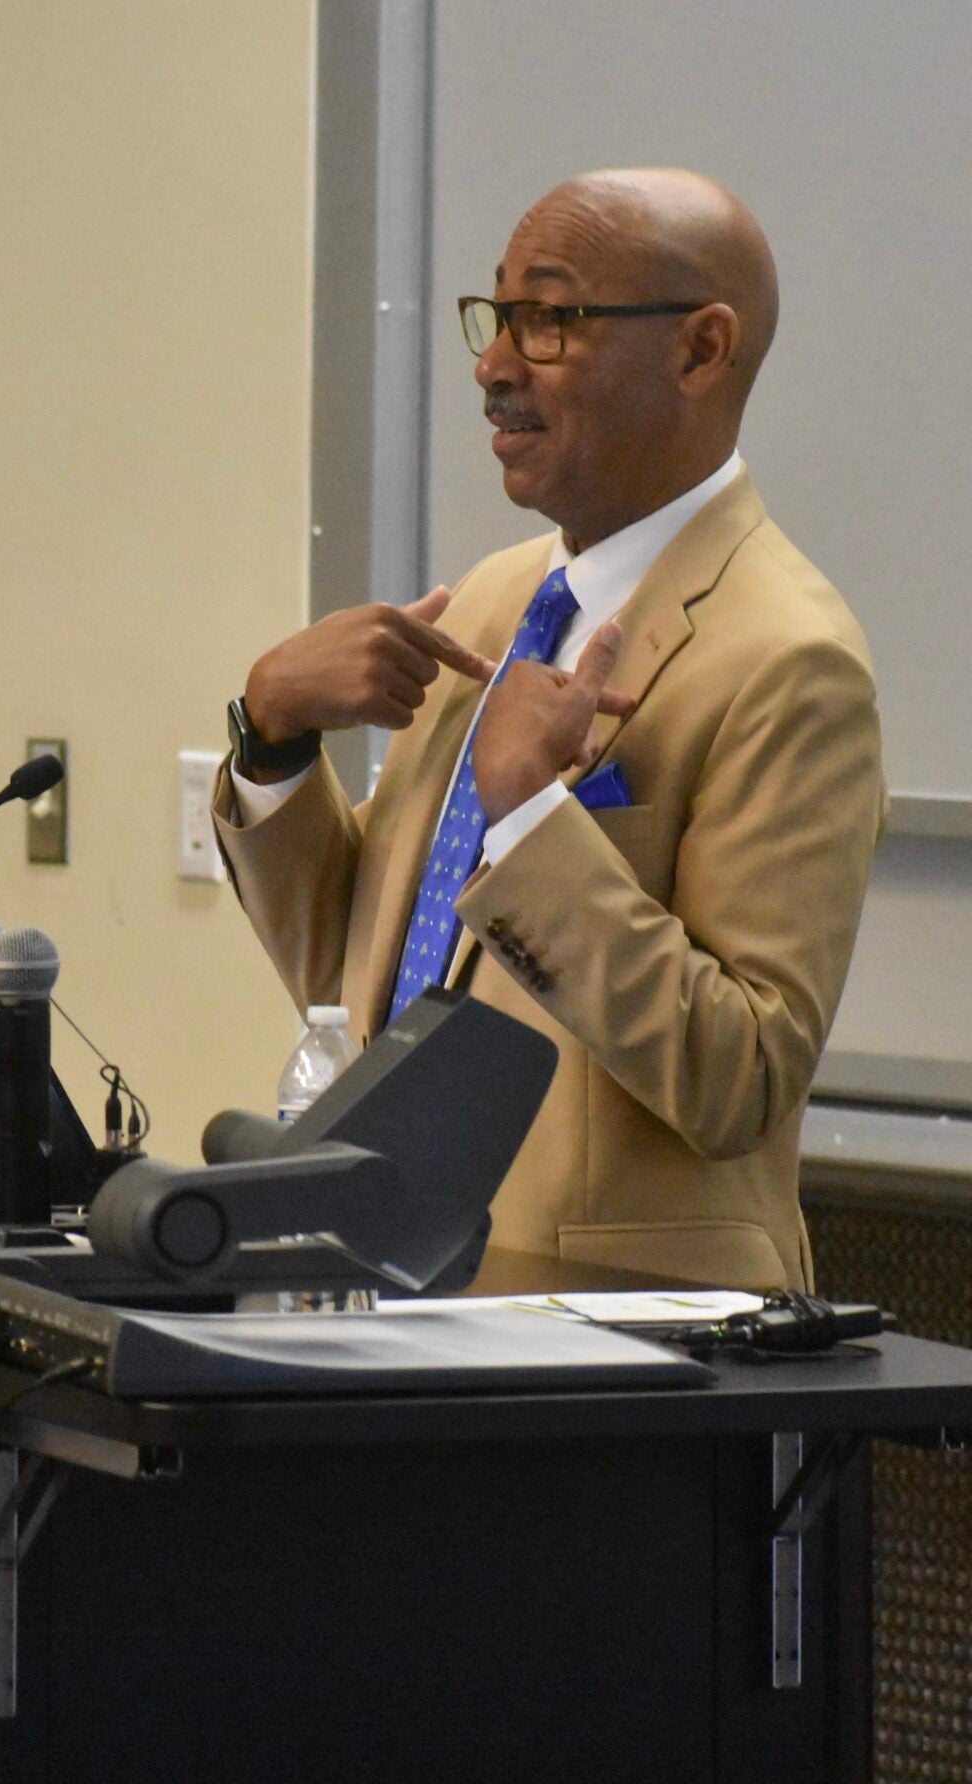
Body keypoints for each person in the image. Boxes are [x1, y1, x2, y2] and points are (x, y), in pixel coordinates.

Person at [213, 168, 883, 1291]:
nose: (493, 366)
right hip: (394, 1296)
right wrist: (274, 738)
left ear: (701, 350)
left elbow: (742, 1076)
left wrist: (527, 818)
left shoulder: (788, 658)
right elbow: (362, 981)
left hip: (623, 1352)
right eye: (496, 316)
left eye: (551, 319)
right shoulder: (494, 604)